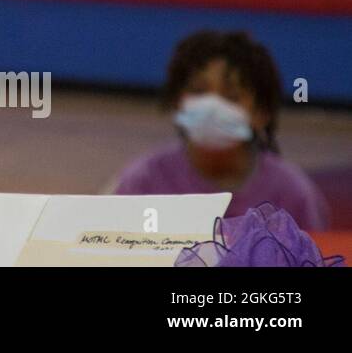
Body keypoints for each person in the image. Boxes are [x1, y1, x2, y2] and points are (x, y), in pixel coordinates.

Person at [113, 29, 329, 232]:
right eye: (198, 91)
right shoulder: (143, 182)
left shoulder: (293, 194)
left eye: (232, 97)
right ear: (177, 101)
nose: (212, 106)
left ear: (261, 113)